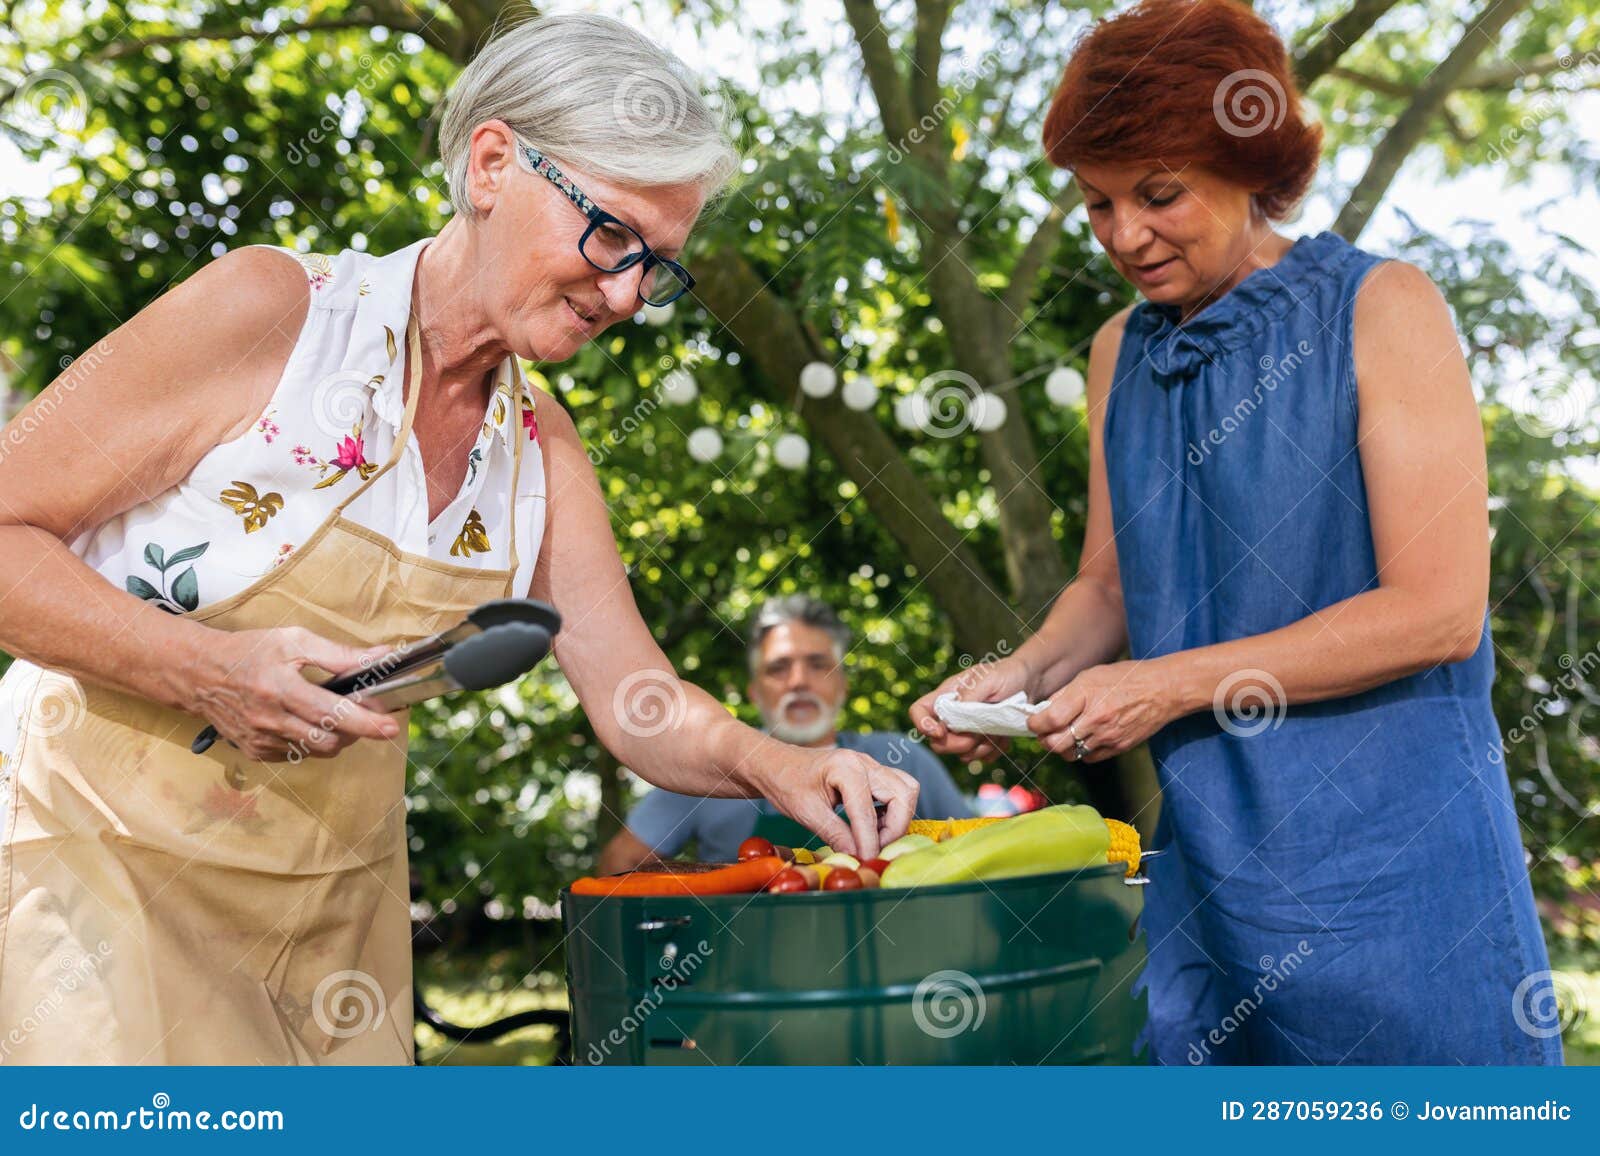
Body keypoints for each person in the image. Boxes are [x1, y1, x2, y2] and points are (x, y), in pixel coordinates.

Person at [0, 14, 916, 1066]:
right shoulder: (275, 314)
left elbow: (639, 699)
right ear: (491, 165)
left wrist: (782, 765)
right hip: (94, 876)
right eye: (611, 235)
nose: (628, 295)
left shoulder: (541, 448)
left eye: (658, 266)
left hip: (328, 915)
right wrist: (204, 670)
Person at [911, 0, 1559, 1065]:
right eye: (1097, 202)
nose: (1124, 235)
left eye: (1158, 194)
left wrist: (1163, 686)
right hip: (1211, 883)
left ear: (1249, 164)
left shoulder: (1382, 307)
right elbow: (1108, 591)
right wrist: (1016, 679)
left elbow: (1439, 611)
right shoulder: (1118, 352)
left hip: (1399, 881)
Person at [600, 595, 970, 871]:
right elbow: (621, 864)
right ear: (754, 692)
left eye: (817, 665)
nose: (798, 682)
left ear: (843, 685)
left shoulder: (903, 758)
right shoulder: (707, 764)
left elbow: (972, 849)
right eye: (778, 668)